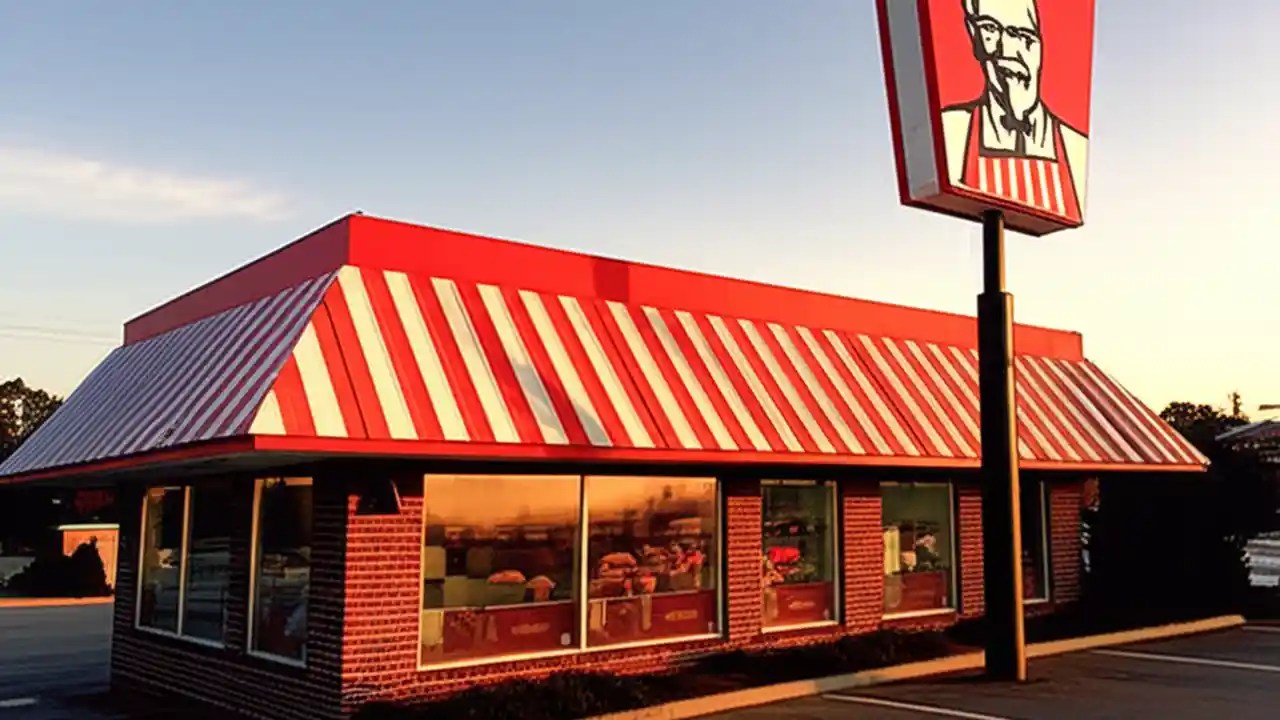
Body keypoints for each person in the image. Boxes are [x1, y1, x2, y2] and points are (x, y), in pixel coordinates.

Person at [940, 0, 1087, 222]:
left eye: (1021, 35)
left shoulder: (1073, 144)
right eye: (990, 29)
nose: (1006, 50)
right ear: (973, 36)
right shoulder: (952, 132)